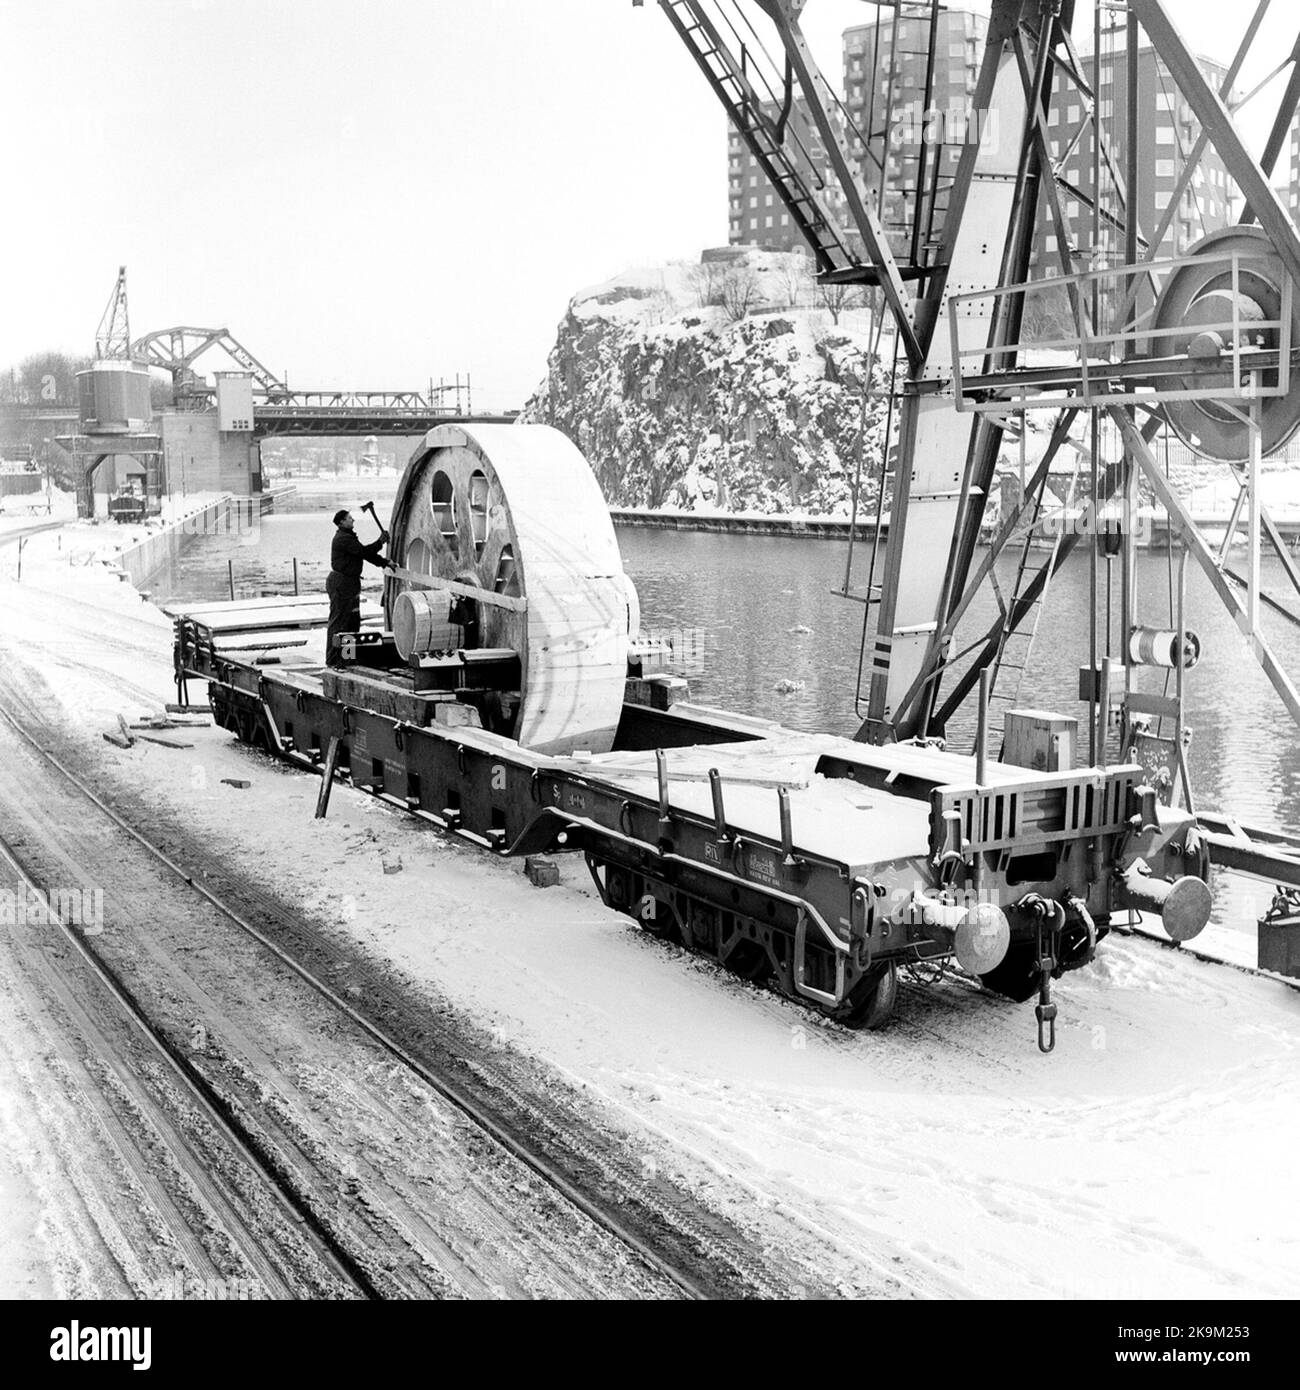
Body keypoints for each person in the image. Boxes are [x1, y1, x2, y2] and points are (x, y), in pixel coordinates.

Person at [326, 509, 393, 668]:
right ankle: (333, 659)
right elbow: (363, 552)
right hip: (341, 584)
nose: (353, 520)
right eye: (349, 518)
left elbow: (365, 555)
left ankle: (347, 657)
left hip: (350, 584)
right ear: (341, 522)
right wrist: (380, 542)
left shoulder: (349, 538)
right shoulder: (343, 539)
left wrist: (385, 562)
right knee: (339, 622)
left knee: (352, 622)